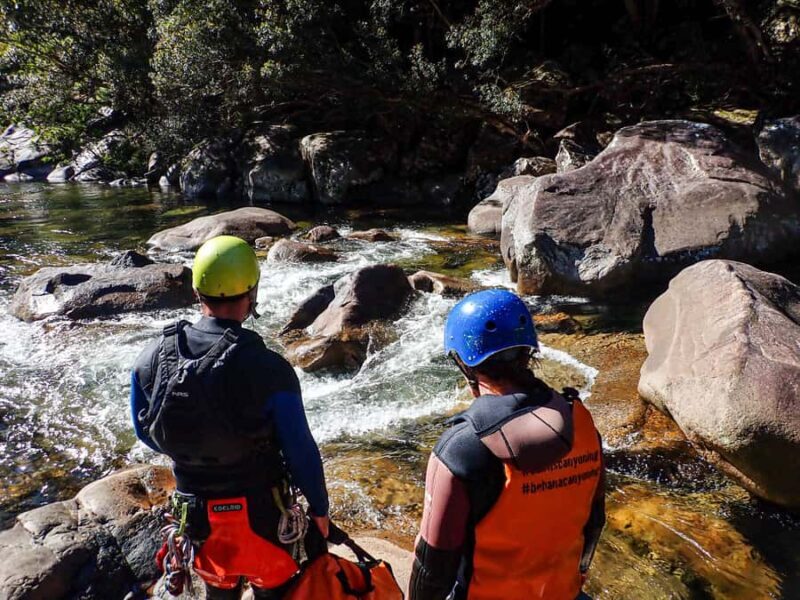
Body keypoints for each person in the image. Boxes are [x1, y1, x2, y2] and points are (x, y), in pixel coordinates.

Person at [130, 235, 330, 600]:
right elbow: (300, 450)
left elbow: (146, 431)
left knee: (218, 591)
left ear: (196, 291)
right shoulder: (270, 368)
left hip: (198, 520)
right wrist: (320, 510)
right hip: (263, 518)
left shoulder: (151, 357)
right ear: (251, 293)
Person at [409, 289, 605, 600]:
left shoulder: (461, 449)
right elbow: (594, 522)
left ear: (463, 362)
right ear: (529, 351)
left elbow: (432, 567)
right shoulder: (581, 422)